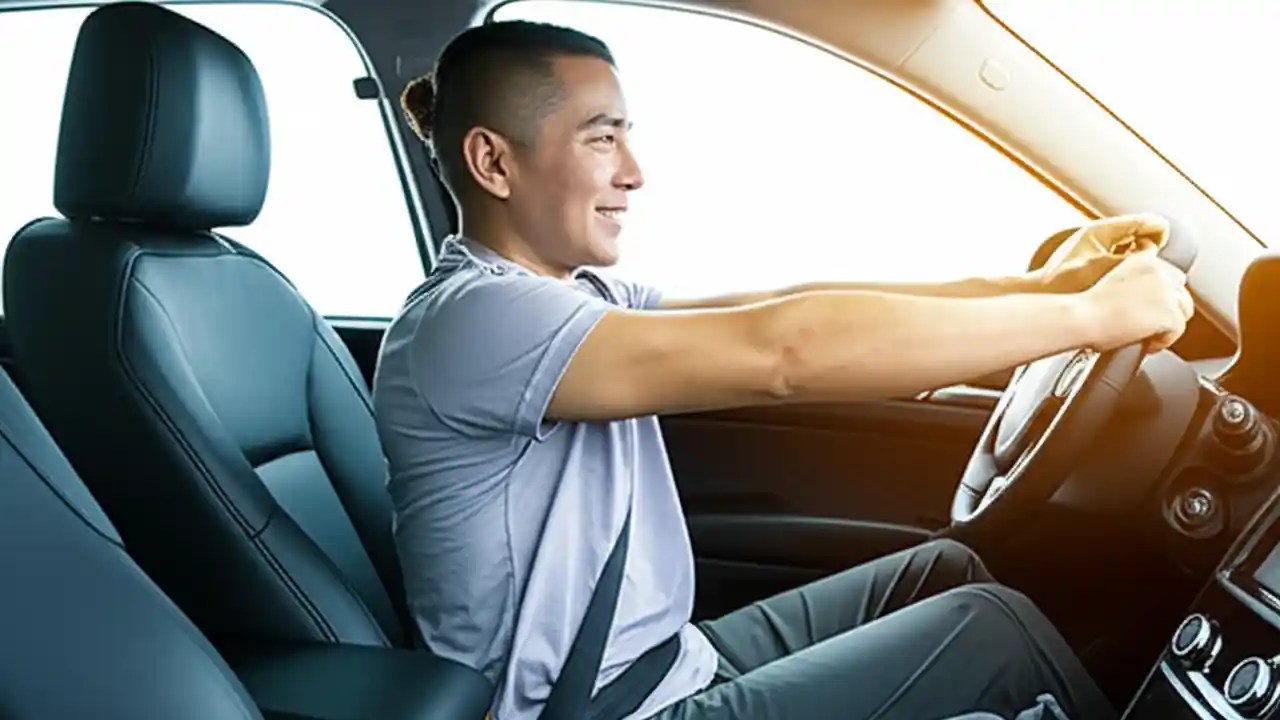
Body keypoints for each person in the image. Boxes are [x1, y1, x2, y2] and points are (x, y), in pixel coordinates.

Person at [371, 20, 1193, 720]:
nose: (633, 170)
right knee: (991, 628)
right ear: (492, 162)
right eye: (601, 136)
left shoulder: (574, 296)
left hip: (666, 663)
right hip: (601, 708)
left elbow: (784, 303)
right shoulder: (474, 320)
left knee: (943, 573)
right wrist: (1093, 320)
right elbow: (783, 353)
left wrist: (1043, 287)